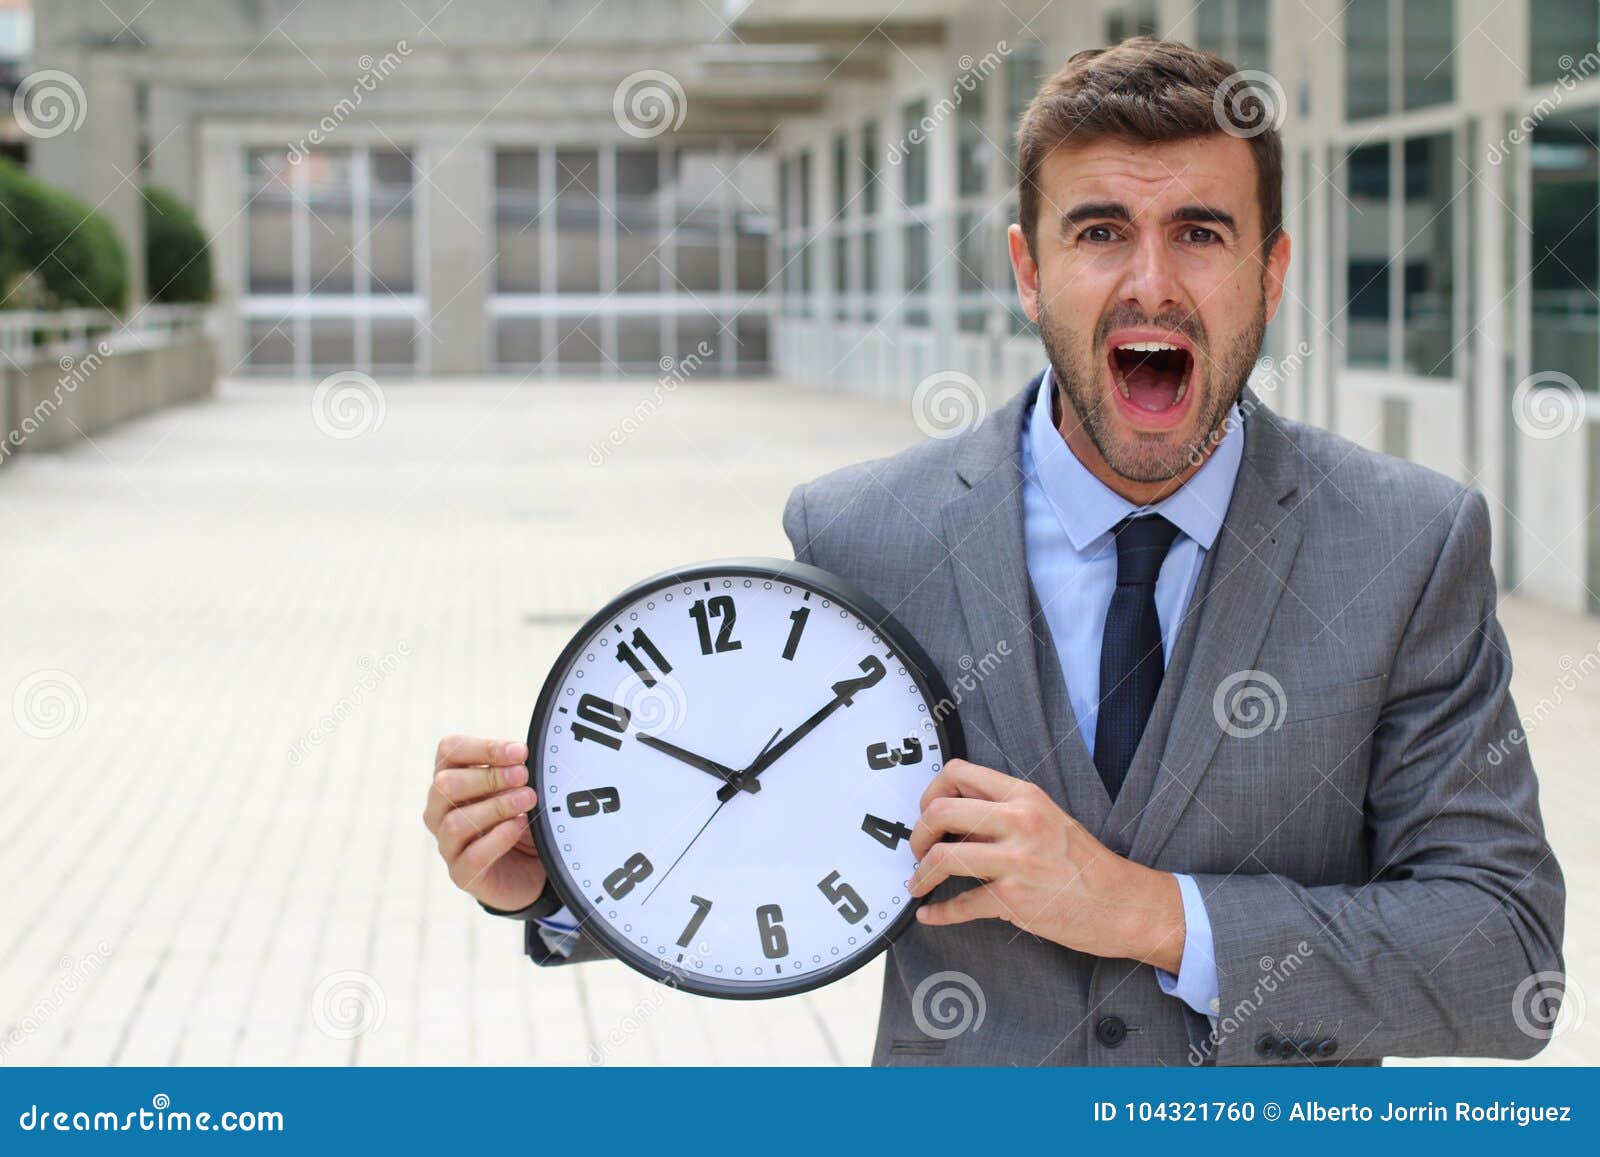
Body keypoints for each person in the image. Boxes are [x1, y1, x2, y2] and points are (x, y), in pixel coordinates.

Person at [422, 36, 1565, 1065]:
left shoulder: (1405, 545)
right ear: (1027, 270)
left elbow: (1506, 952)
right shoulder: (861, 533)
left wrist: (1146, 910)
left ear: (1270, 273)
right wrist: (553, 879)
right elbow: (765, 828)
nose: (1151, 282)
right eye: (1099, 232)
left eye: (1199, 233)